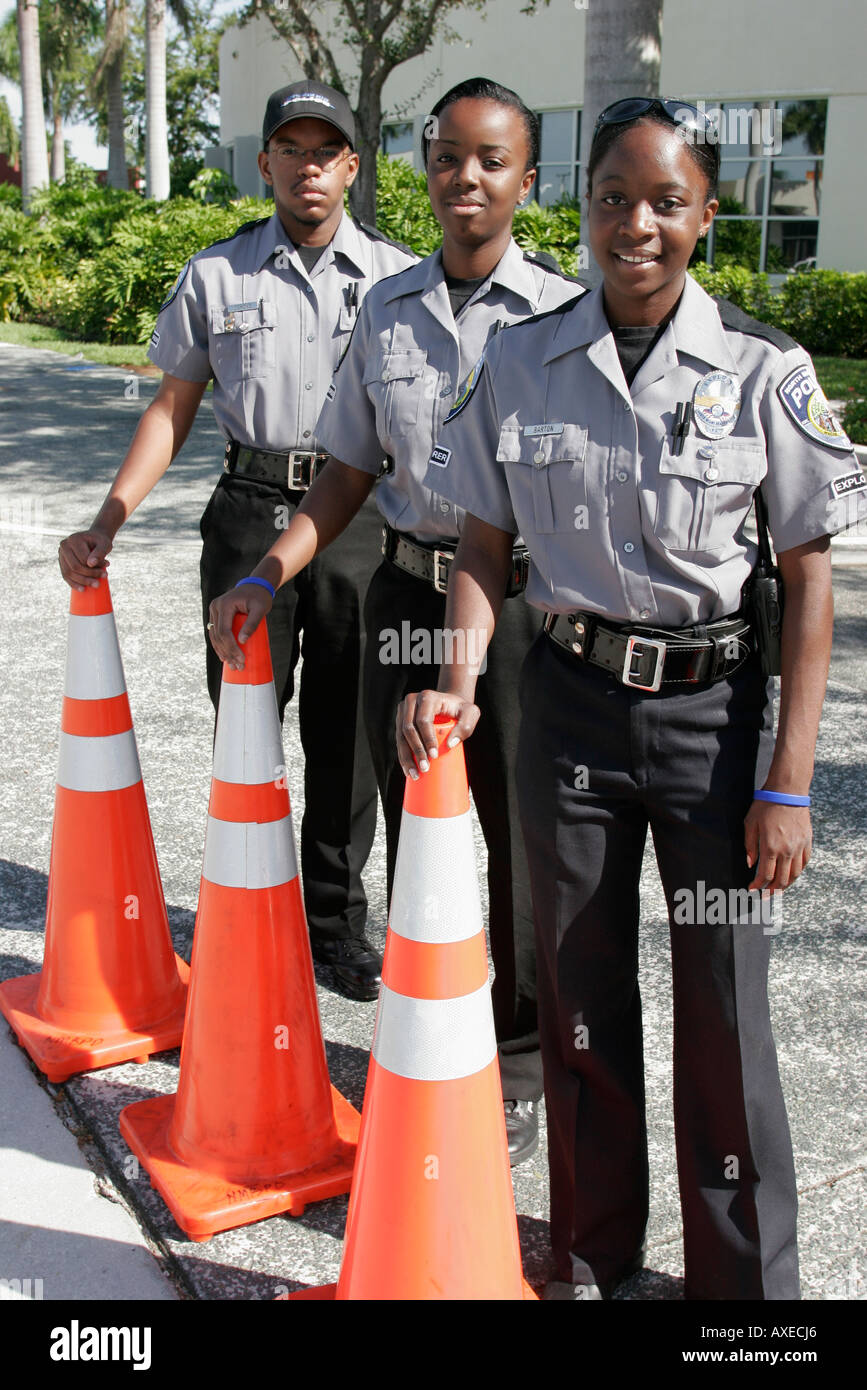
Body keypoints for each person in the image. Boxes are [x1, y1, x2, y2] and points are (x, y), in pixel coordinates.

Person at [395, 97, 866, 1298]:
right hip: (569, 713)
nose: (637, 225)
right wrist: (455, 684)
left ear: (706, 216)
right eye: (615, 198)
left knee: (725, 1020)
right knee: (581, 1005)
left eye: (667, 202)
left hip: (714, 725)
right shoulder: (521, 359)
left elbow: (810, 576)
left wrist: (788, 782)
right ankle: (592, 1260)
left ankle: (744, 1300)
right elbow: (484, 545)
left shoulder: (764, 369)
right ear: (585, 207)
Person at [206, 77, 582, 1164]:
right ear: (424, 169)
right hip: (405, 595)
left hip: (519, 612)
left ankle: (517, 1063)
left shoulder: (563, 318)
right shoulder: (387, 308)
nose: (467, 178)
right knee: (419, 827)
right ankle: (423, 1038)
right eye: (449, 156)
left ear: (524, 180)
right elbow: (346, 471)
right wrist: (267, 573)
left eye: (492, 161)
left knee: (518, 842)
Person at [57, 81, 416, 1002]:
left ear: (352, 166)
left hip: (356, 518)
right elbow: (171, 406)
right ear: (265, 164)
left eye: (325, 150)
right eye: (290, 149)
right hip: (249, 506)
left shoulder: (397, 280)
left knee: (348, 728)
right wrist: (108, 518)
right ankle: (246, 904)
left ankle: (332, 921)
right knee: (244, 714)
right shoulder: (216, 275)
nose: (308, 166)